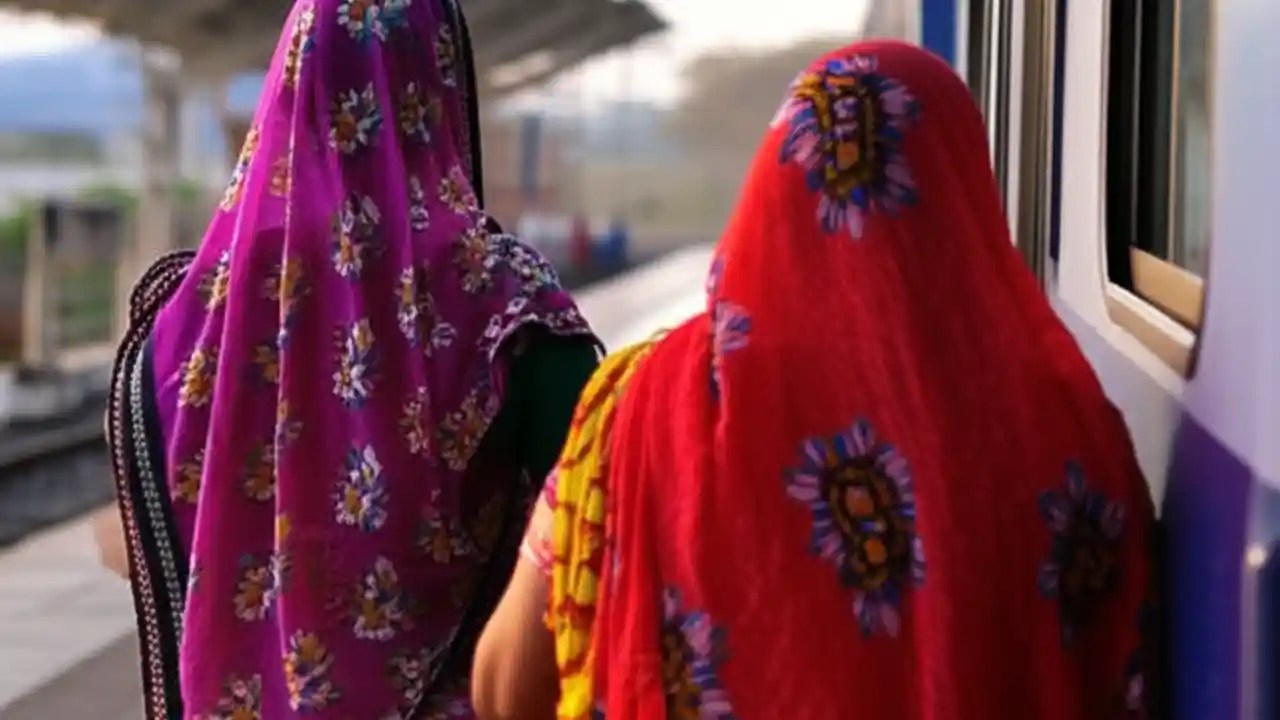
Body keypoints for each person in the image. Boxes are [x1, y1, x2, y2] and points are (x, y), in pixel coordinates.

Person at [472, 40, 1160, 719]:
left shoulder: (639, 411)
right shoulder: (1070, 439)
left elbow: (505, 689)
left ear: (774, 187)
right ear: (967, 199)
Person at [103, 0, 599, 717]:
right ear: (441, 88)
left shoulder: (186, 321)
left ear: (292, 83)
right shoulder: (508, 308)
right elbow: (600, 516)